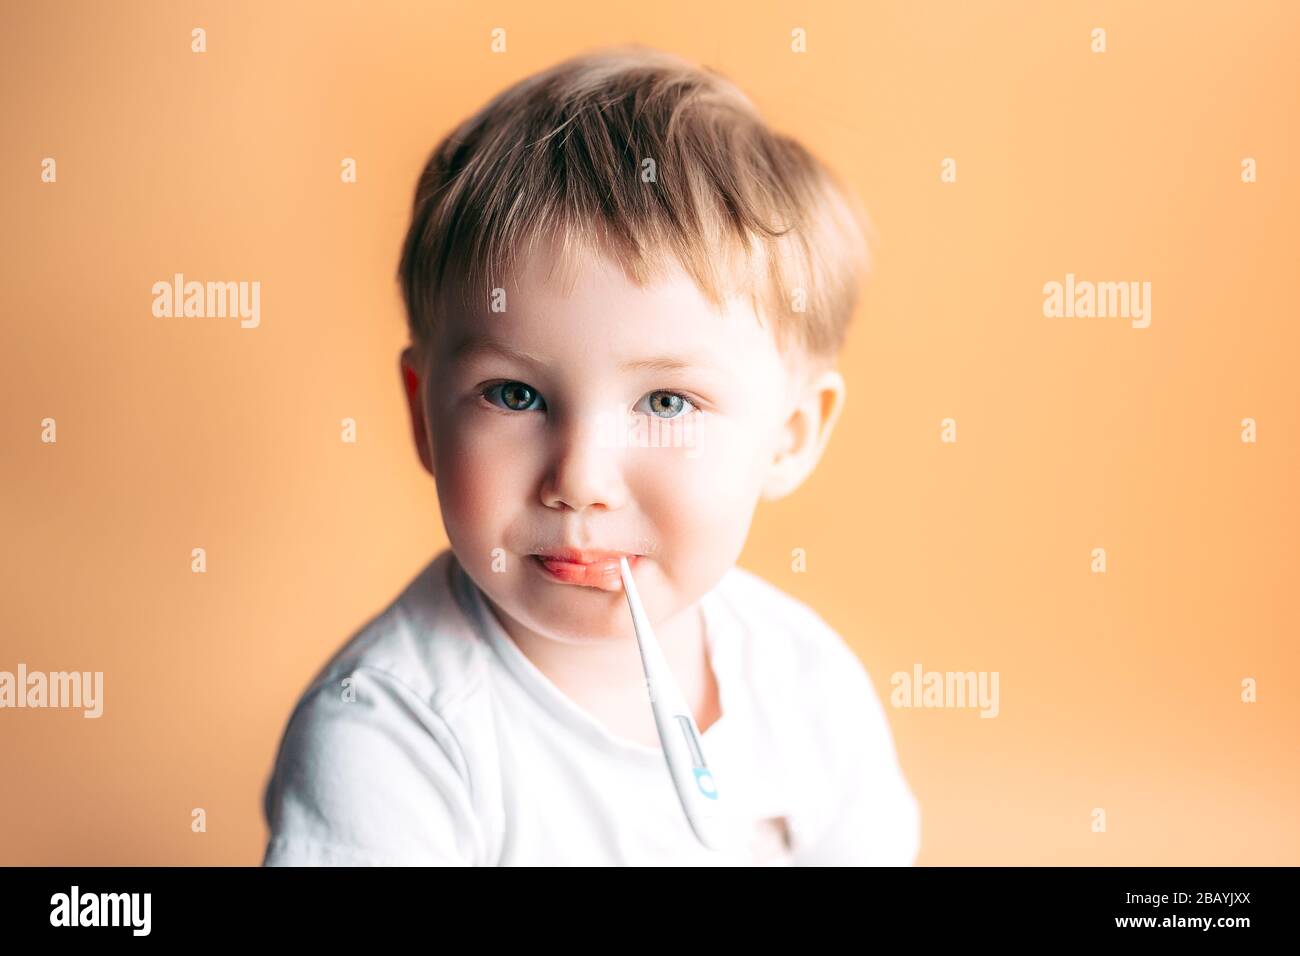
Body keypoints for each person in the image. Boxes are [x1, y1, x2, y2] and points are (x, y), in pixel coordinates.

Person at [262, 45, 919, 865]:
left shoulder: (807, 683)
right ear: (424, 415)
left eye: (667, 402)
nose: (578, 479)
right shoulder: (391, 737)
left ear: (790, 435)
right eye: (515, 394)